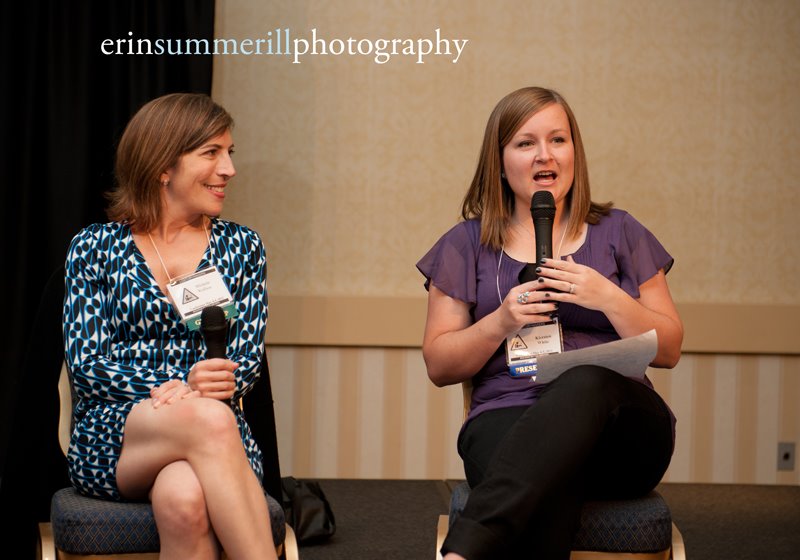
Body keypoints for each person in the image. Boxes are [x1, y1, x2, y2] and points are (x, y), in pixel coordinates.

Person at [417, 86, 683, 559]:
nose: (545, 154)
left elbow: (669, 350)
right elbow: (439, 364)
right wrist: (500, 321)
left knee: (583, 383)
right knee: (546, 473)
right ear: (499, 162)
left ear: (574, 153)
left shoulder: (620, 232)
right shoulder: (464, 244)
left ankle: (462, 550)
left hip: (621, 431)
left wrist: (607, 297)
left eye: (558, 140)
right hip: (508, 419)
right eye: (525, 143)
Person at [63, 93, 277, 560]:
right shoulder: (95, 248)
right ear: (163, 166)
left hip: (218, 438)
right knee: (207, 416)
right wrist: (175, 387)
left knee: (184, 500)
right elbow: (87, 367)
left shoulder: (240, 247)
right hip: (119, 435)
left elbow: (244, 362)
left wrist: (220, 378)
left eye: (230, 153)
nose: (229, 170)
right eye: (211, 153)